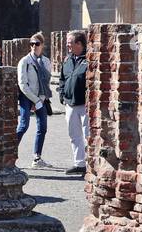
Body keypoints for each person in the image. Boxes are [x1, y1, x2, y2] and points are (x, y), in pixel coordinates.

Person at [16, 33, 53, 170]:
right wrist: (34, 100)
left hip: (41, 97)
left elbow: (46, 82)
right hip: (27, 96)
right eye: (31, 43)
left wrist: (40, 100)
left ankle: (37, 157)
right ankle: (10, 153)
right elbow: (22, 84)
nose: (33, 46)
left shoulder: (46, 62)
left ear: (42, 45)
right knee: (23, 126)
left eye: (37, 43)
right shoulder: (24, 62)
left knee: (42, 127)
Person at [58, 31, 89, 176]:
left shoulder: (89, 59)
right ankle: (79, 163)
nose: (67, 45)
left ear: (79, 43)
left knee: (87, 135)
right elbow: (63, 78)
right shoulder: (68, 60)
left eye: (70, 42)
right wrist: (62, 94)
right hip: (70, 104)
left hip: (85, 104)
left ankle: (90, 164)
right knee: (74, 135)